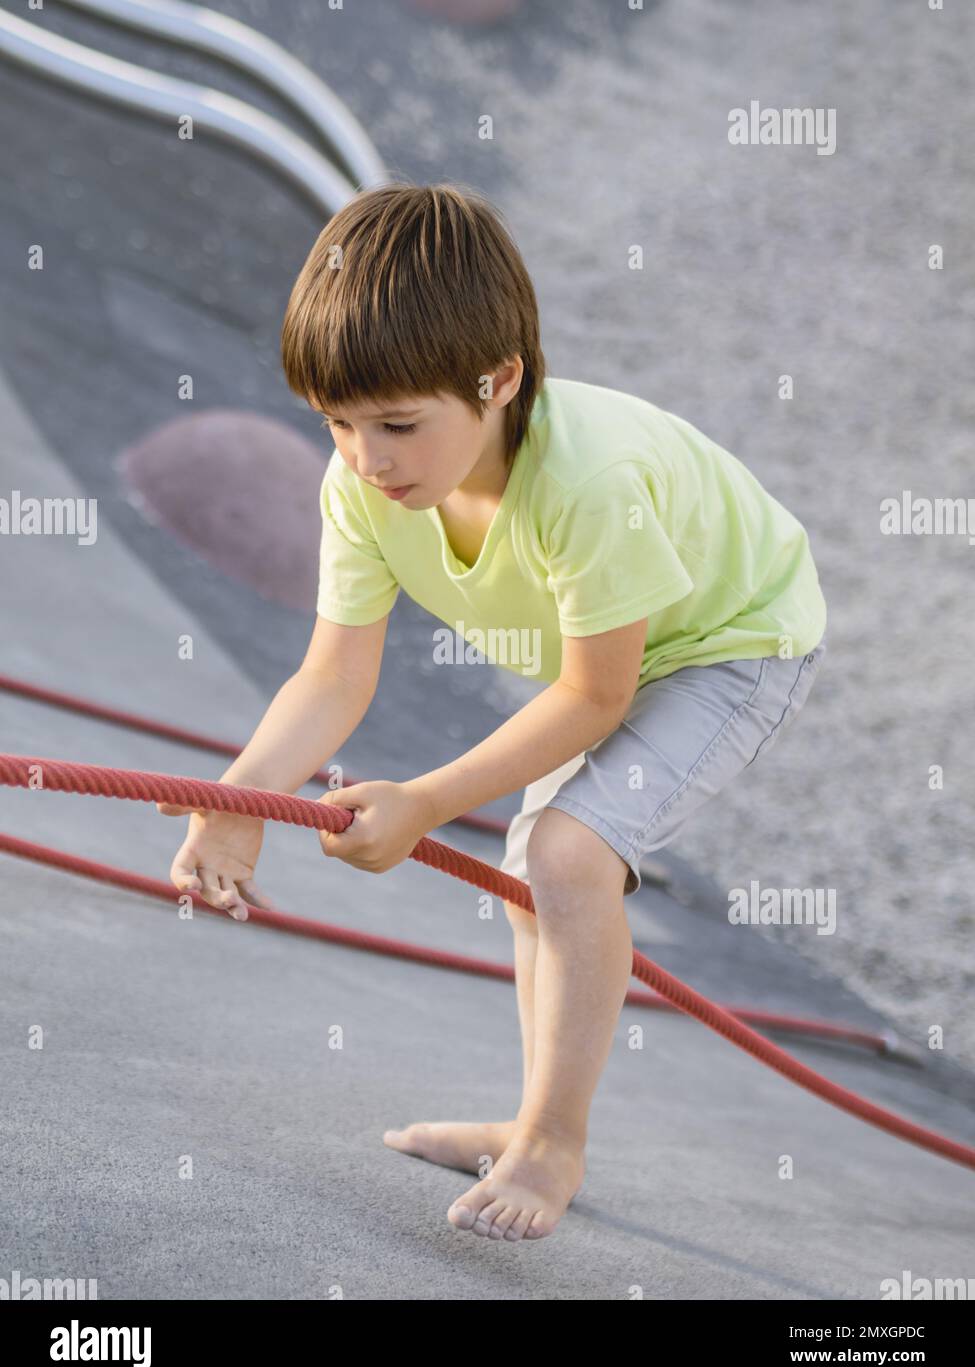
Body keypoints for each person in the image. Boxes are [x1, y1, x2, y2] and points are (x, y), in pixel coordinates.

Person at [160, 180, 828, 1243]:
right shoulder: (363, 489)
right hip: (623, 644)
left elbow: (596, 695)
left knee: (563, 857)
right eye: (335, 424)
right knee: (538, 868)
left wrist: (422, 799)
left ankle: (554, 1142)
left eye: (396, 424)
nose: (368, 460)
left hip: (734, 642)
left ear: (501, 379)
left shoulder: (587, 484)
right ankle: (530, 1122)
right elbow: (334, 674)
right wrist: (239, 797)